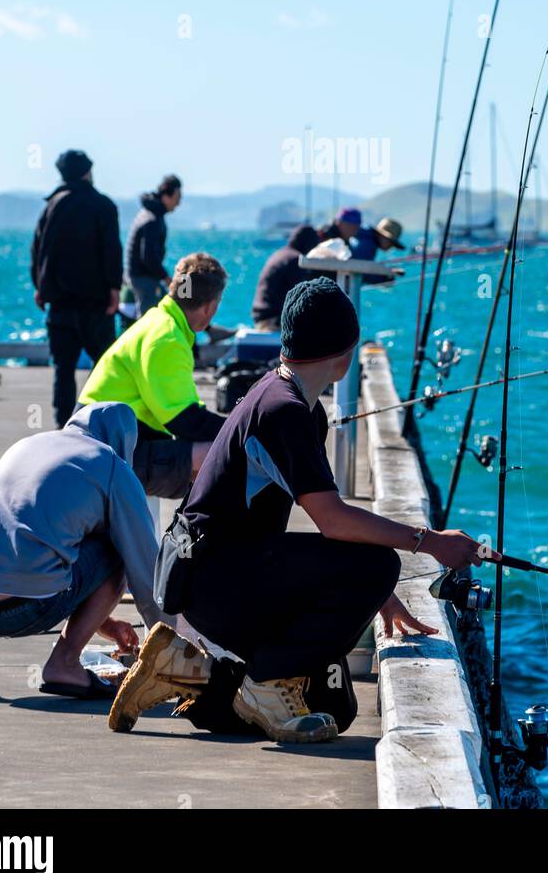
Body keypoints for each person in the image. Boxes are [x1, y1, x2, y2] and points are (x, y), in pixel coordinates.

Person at [107, 277, 498, 743]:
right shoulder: (284, 412)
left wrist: (378, 597)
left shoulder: (291, 402)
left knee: (332, 708)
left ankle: (177, 666)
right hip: (216, 583)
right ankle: (265, 683)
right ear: (344, 355)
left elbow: (330, 518)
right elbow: (332, 520)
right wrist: (429, 542)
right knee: (378, 565)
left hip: (219, 575)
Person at [0, 403, 169, 702]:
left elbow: (28, 535)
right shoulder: (111, 464)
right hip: (21, 607)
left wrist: (103, 622)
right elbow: (145, 567)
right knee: (118, 545)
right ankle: (65, 663)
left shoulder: (27, 445)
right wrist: (164, 646)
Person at [78, 253, 227, 499]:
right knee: (223, 452)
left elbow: (183, 412)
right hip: (105, 456)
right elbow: (184, 420)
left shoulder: (158, 322)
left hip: (98, 444)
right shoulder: (166, 338)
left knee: (214, 448)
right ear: (211, 306)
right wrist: (244, 431)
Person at [31, 150, 123, 428]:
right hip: (95, 303)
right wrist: (114, 288)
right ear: (87, 171)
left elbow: (38, 251)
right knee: (106, 367)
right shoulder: (103, 205)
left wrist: (40, 287)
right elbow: (111, 250)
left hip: (59, 303)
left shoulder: (52, 206)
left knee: (63, 371)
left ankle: (62, 428)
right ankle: (96, 423)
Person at [125, 174, 183, 318]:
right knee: (148, 318)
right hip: (143, 277)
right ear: (166, 196)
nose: (178, 203)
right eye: (177, 198)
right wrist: (166, 277)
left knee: (175, 306)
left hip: (141, 275)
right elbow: (148, 256)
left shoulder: (150, 212)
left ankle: (204, 332)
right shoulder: (152, 219)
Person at [251, 223, 319, 331]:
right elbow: (304, 298)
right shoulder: (296, 260)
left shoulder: (281, 254)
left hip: (262, 319)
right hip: (274, 322)